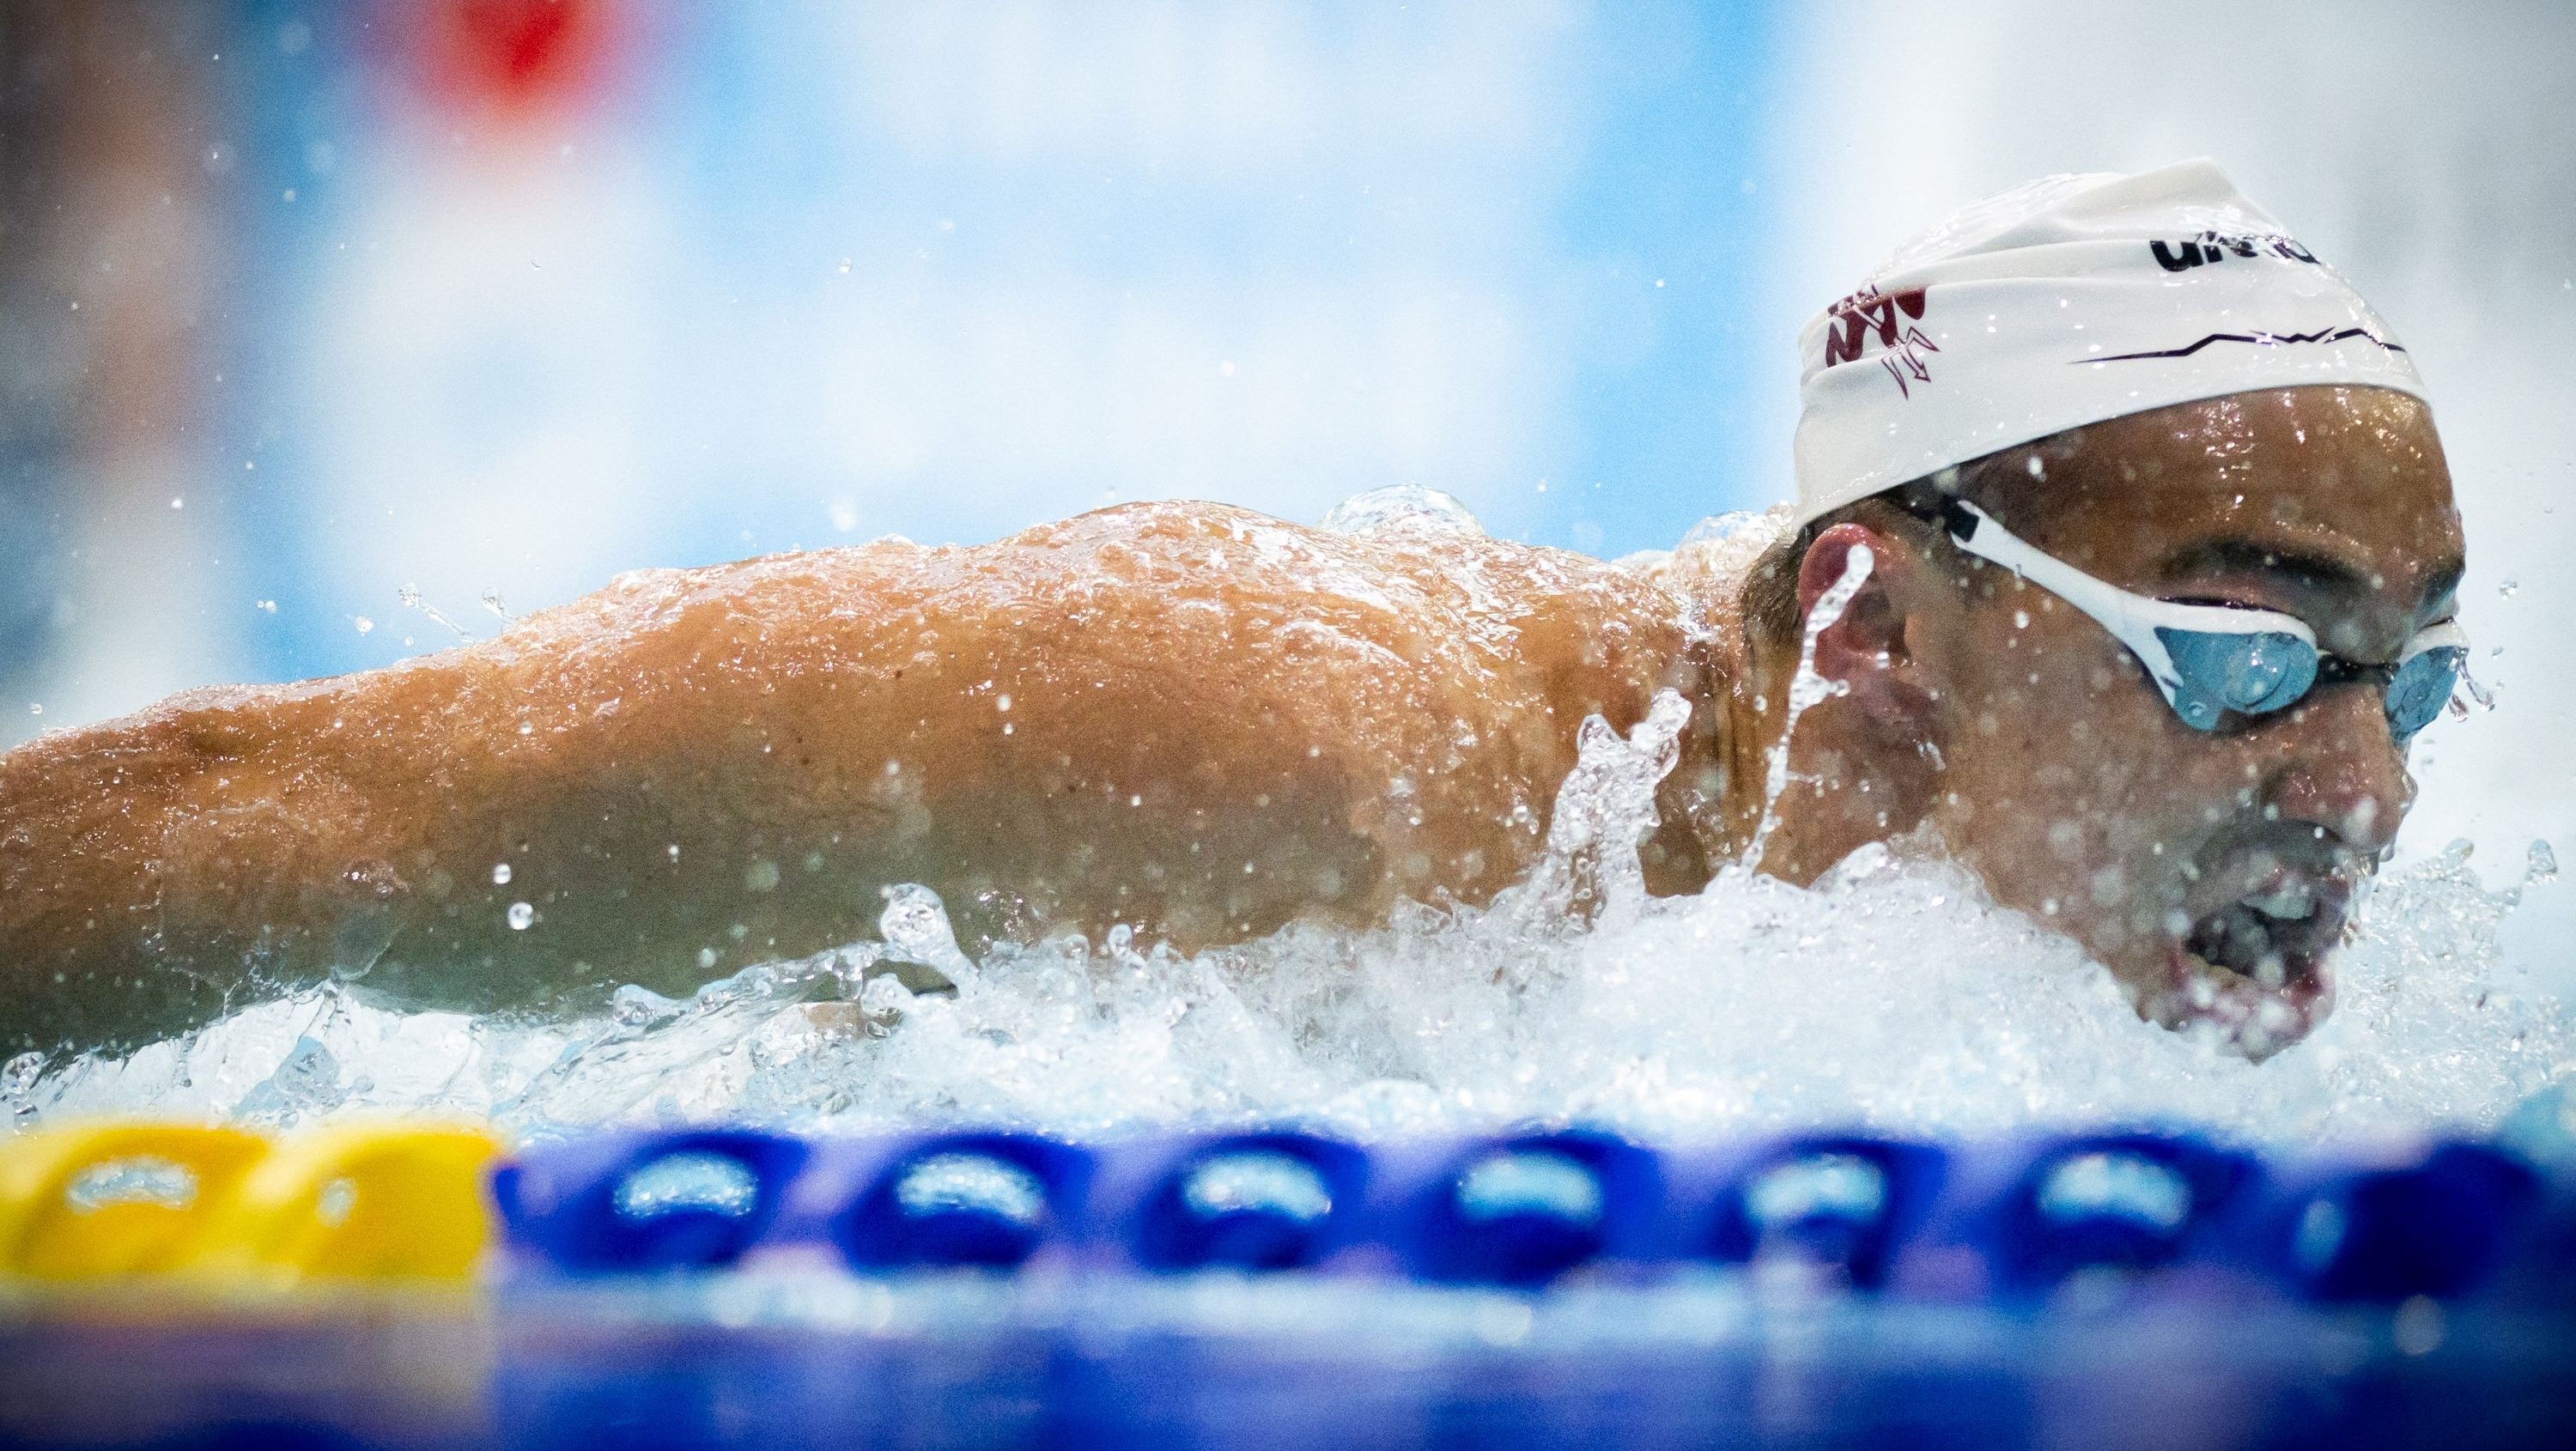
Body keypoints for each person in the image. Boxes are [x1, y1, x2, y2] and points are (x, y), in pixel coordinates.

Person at [0, 161, 2463, 1062]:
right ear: (1876, 621)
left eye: (2409, 673)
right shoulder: (1321, 748)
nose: (2355, 791)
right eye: (2247, 656)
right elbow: (324, 816)